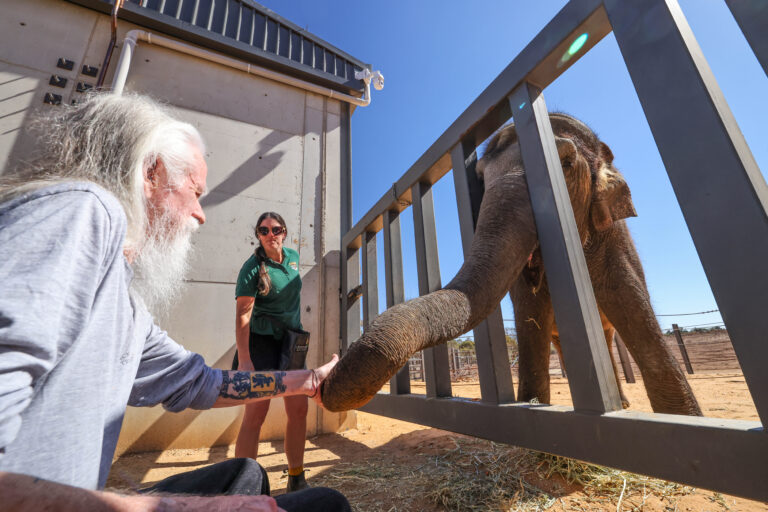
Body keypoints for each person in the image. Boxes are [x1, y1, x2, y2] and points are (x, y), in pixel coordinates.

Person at [0, 93, 350, 512]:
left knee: (247, 475)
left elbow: (199, 382)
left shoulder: (124, 300)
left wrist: (308, 381)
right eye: (195, 191)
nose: (201, 214)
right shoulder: (84, 211)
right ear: (151, 173)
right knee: (326, 506)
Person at [234, 212, 309, 492]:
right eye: (264, 231)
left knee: (299, 409)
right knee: (256, 414)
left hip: (292, 342)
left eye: (276, 229)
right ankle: (241, 487)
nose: (270, 234)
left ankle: (296, 477)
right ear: (258, 235)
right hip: (261, 343)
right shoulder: (252, 268)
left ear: (284, 232)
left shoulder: (292, 257)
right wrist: (245, 360)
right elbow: (243, 317)